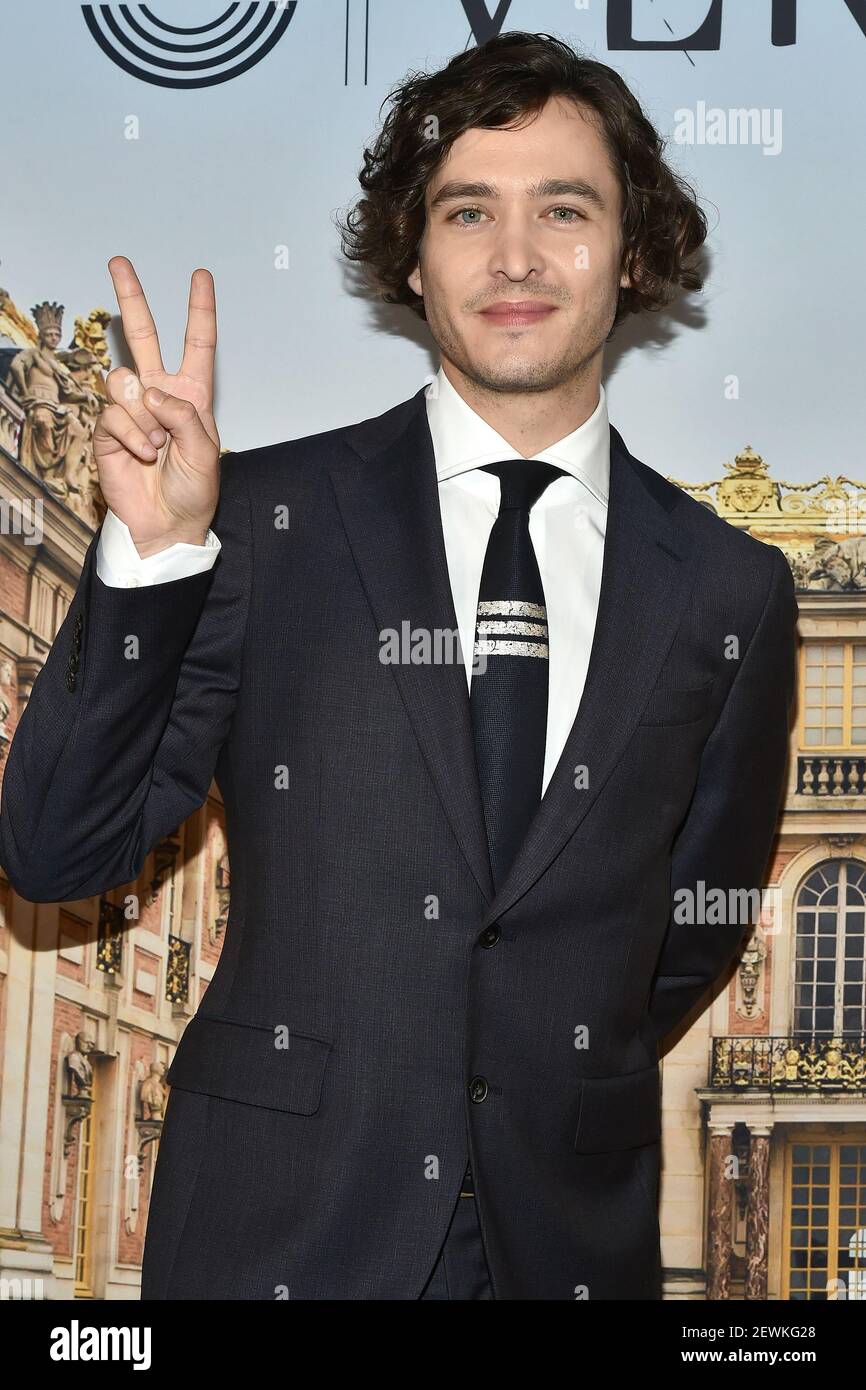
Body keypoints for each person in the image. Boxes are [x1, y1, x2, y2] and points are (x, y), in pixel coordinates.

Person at [0, 31, 797, 1300]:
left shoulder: (728, 589)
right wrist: (153, 557)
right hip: (276, 1242)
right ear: (413, 259)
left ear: (632, 252)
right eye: (467, 210)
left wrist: (538, 1056)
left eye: (565, 209)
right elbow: (55, 852)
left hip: (564, 1245)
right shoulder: (256, 523)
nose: (515, 256)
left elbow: (681, 931)